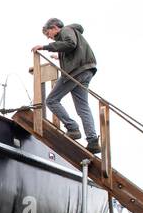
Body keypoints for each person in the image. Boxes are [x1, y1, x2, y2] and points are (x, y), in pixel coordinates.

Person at [31, 18, 100, 153]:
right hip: (86, 71)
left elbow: (70, 44)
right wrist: (60, 56)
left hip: (76, 72)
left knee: (51, 100)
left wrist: (44, 47)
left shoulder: (66, 30)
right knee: (82, 107)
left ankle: (72, 128)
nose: (49, 38)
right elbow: (72, 48)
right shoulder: (72, 32)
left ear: (55, 27)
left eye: (48, 33)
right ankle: (93, 142)